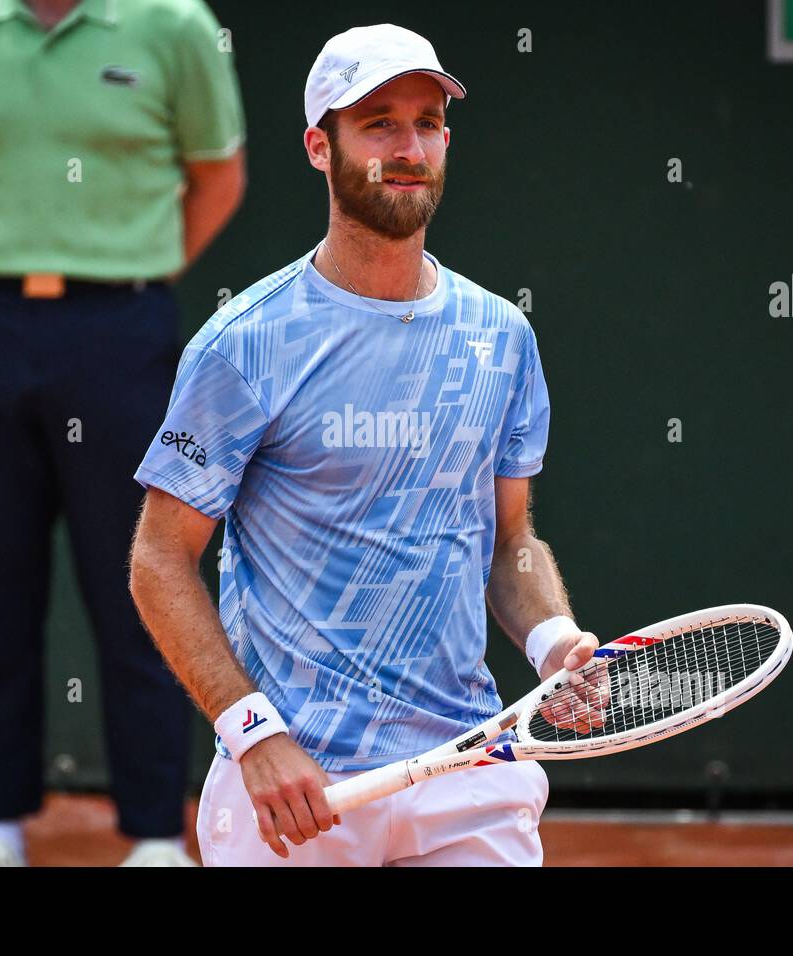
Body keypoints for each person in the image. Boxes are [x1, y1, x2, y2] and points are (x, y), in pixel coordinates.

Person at [129, 23, 601, 866]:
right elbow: (160, 562)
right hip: (296, 788)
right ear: (321, 147)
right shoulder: (243, 345)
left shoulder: (501, 337)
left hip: (468, 773)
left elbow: (509, 540)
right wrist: (252, 733)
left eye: (427, 122)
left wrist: (551, 640)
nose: (409, 145)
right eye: (378, 122)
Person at [0, 0, 246, 866]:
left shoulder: (176, 27)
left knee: (144, 586)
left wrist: (130, 277)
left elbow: (219, 174)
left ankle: (158, 836)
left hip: (121, 331)